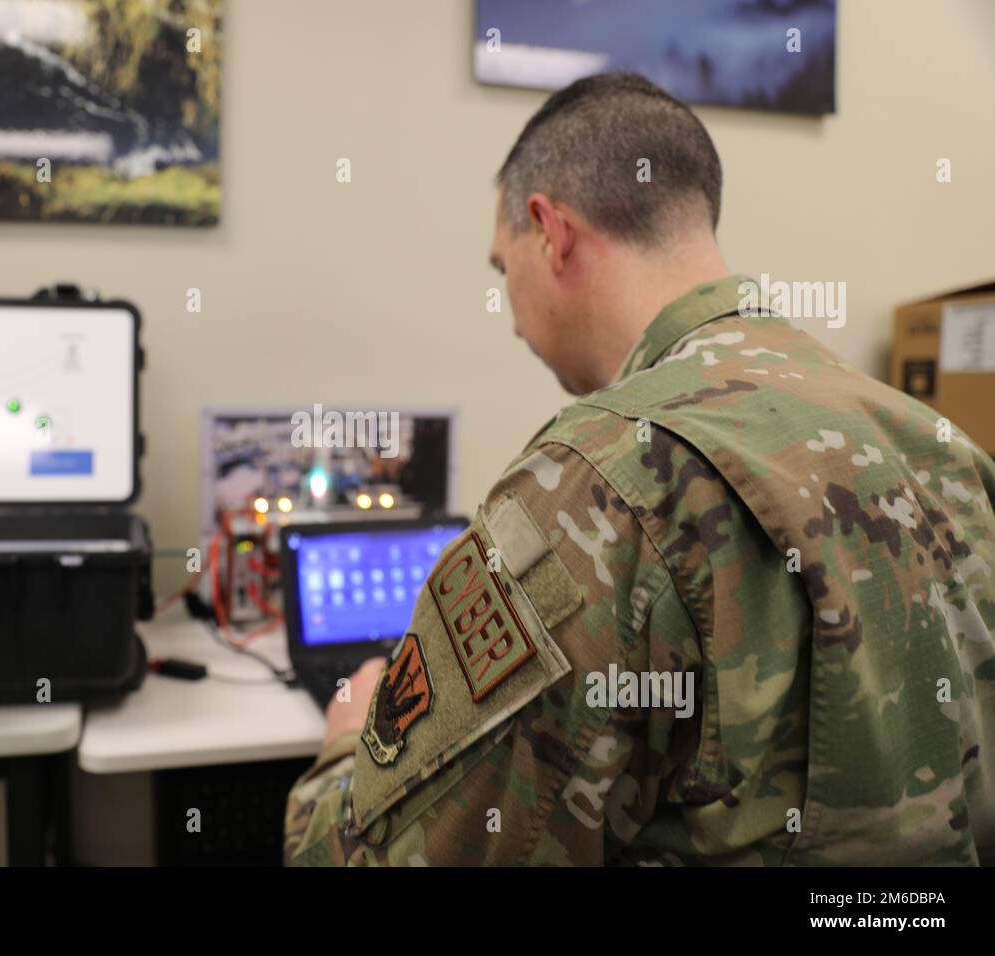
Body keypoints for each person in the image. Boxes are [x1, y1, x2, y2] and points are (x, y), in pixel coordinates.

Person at [282, 73, 995, 866]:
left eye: (501, 266)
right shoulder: (941, 445)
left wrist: (342, 752)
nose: (510, 309)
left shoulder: (599, 483)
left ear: (549, 231)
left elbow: (375, 859)